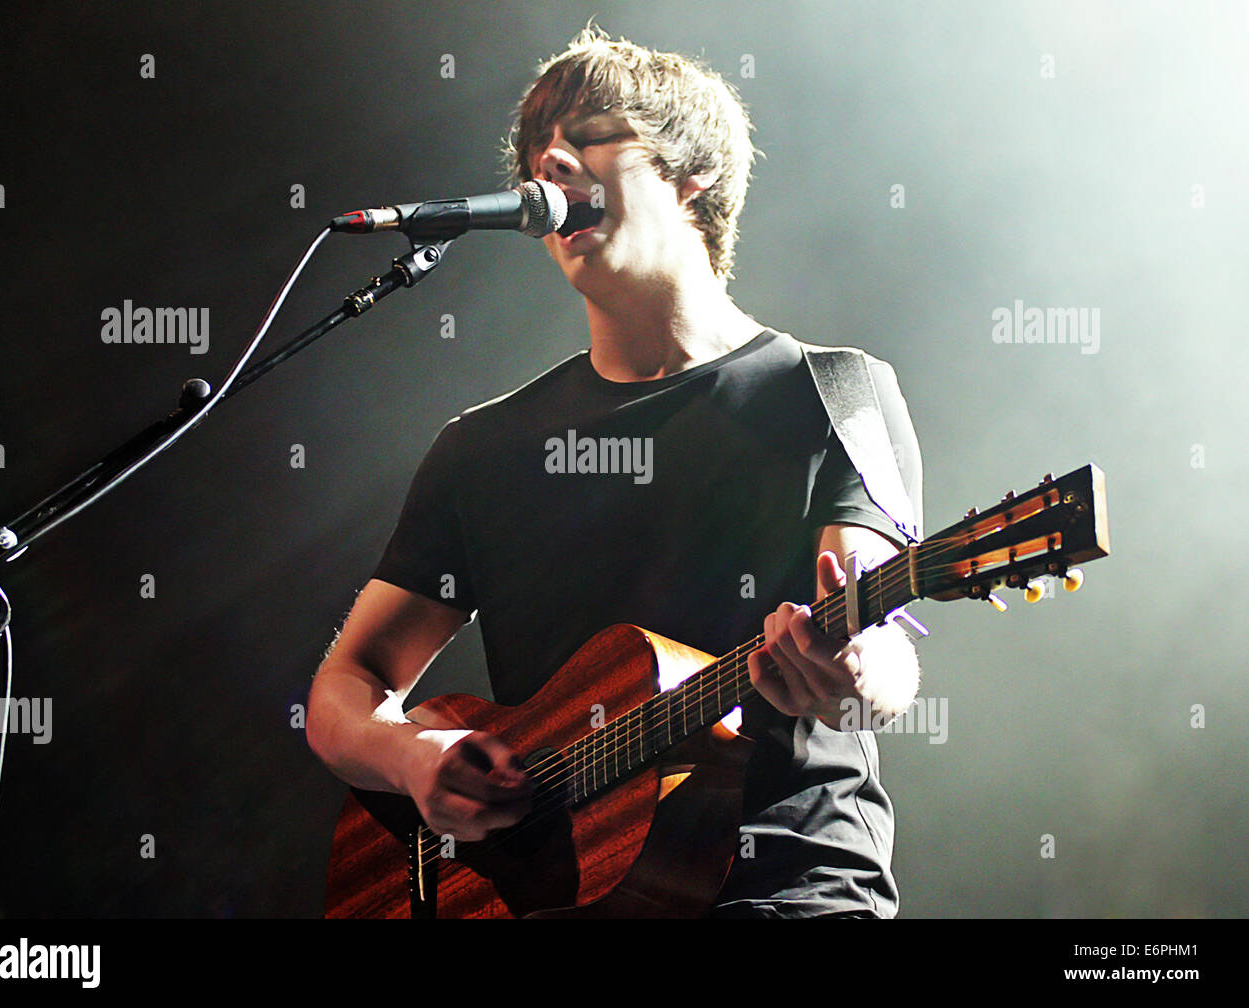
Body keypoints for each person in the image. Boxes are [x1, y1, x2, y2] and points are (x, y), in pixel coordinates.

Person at [306, 24, 923, 918]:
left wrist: (859, 675)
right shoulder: (483, 449)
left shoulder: (833, 392)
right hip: (561, 896)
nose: (549, 161)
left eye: (589, 134)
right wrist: (414, 759)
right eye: (536, 151)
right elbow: (344, 686)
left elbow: (880, 631)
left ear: (689, 176)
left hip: (785, 889)